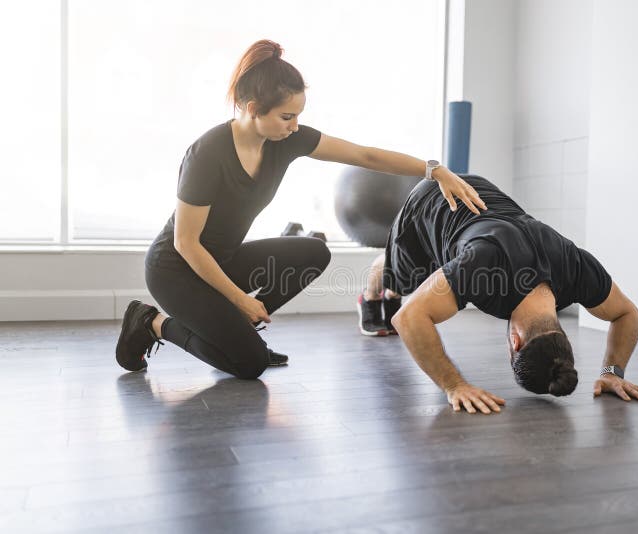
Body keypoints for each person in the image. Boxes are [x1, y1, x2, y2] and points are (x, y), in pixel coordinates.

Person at [115, 39, 486, 379]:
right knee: (249, 364)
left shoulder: (284, 140)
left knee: (313, 252)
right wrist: (240, 299)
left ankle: (239, 334)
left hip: (223, 261)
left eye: (297, 116)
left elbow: (364, 155)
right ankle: (150, 322)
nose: (294, 126)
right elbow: (186, 244)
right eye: (286, 117)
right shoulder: (207, 154)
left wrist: (434, 170)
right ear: (252, 109)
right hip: (176, 270)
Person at [358, 174, 638, 413]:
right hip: (431, 201)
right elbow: (407, 318)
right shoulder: (484, 267)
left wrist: (612, 372)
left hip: (479, 204)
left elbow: (627, 313)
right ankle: (370, 297)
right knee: (399, 280)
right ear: (515, 341)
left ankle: (396, 282)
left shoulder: (576, 270)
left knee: (426, 282)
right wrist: (454, 386)